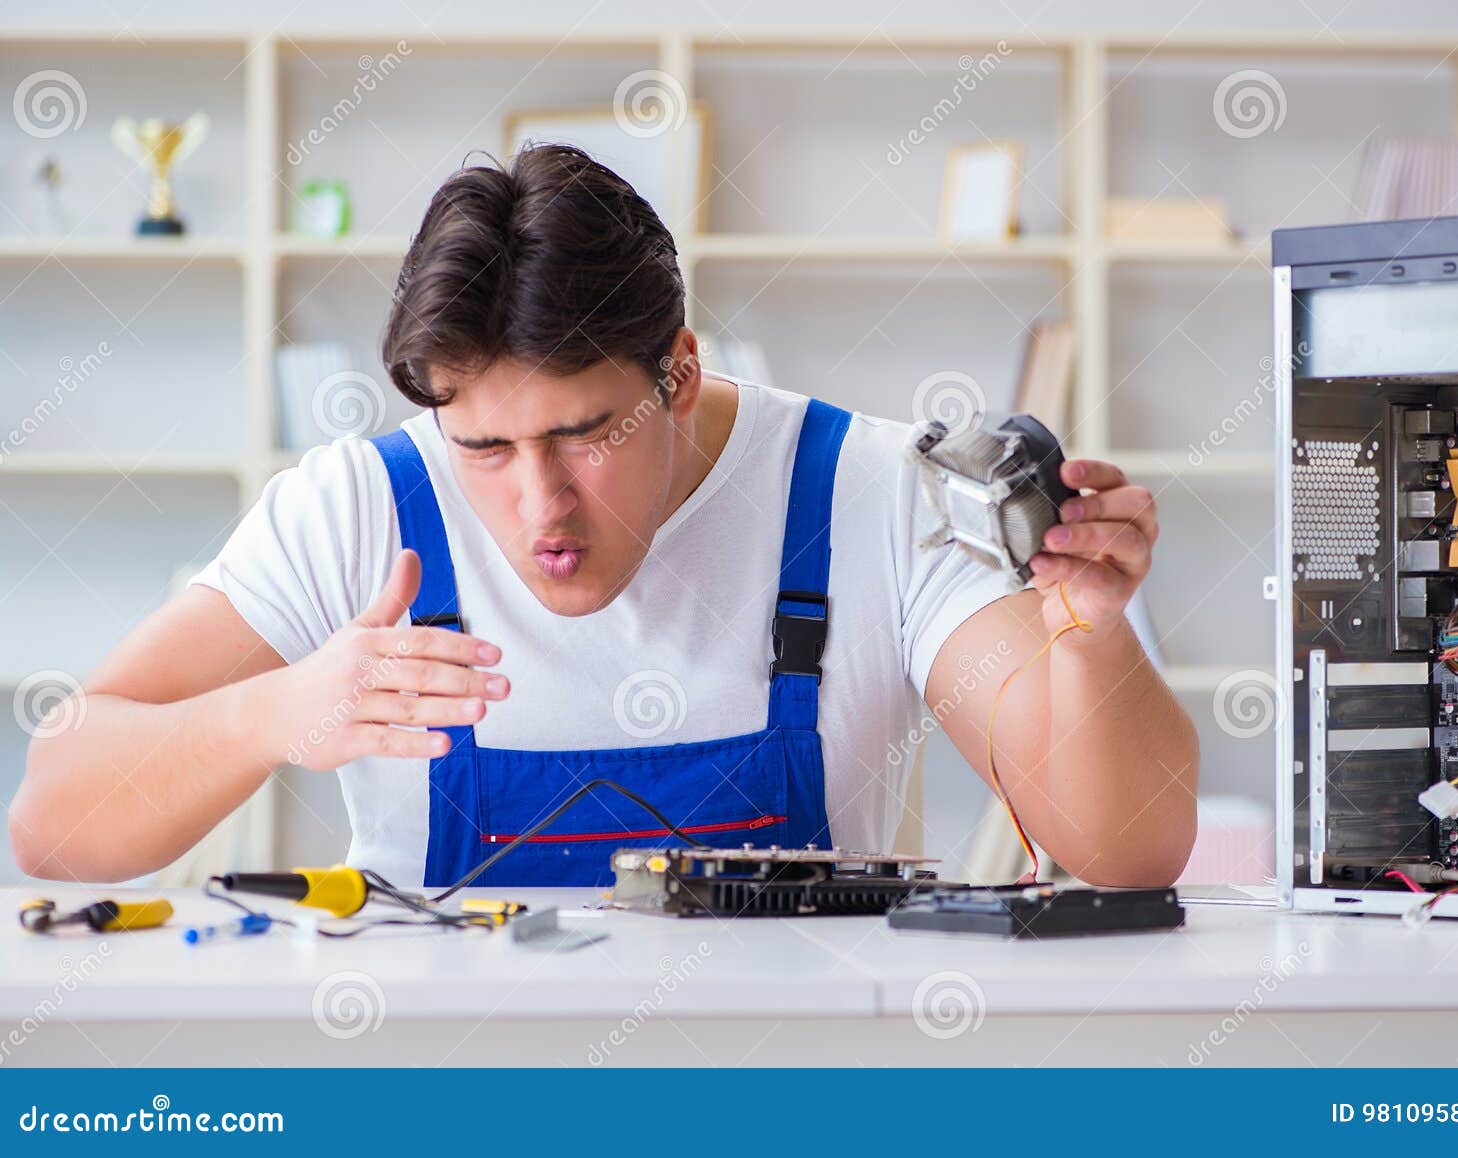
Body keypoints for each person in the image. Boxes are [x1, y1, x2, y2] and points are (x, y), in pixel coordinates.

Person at [12, 144, 1198, 889]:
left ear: (677, 371)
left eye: (583, 435)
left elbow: (1126, 849)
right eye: (482, 448)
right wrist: (276, 710)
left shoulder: (867, 493)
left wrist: (1089, 631)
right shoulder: (354, 507)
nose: (540, 506)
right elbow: (52, 825)